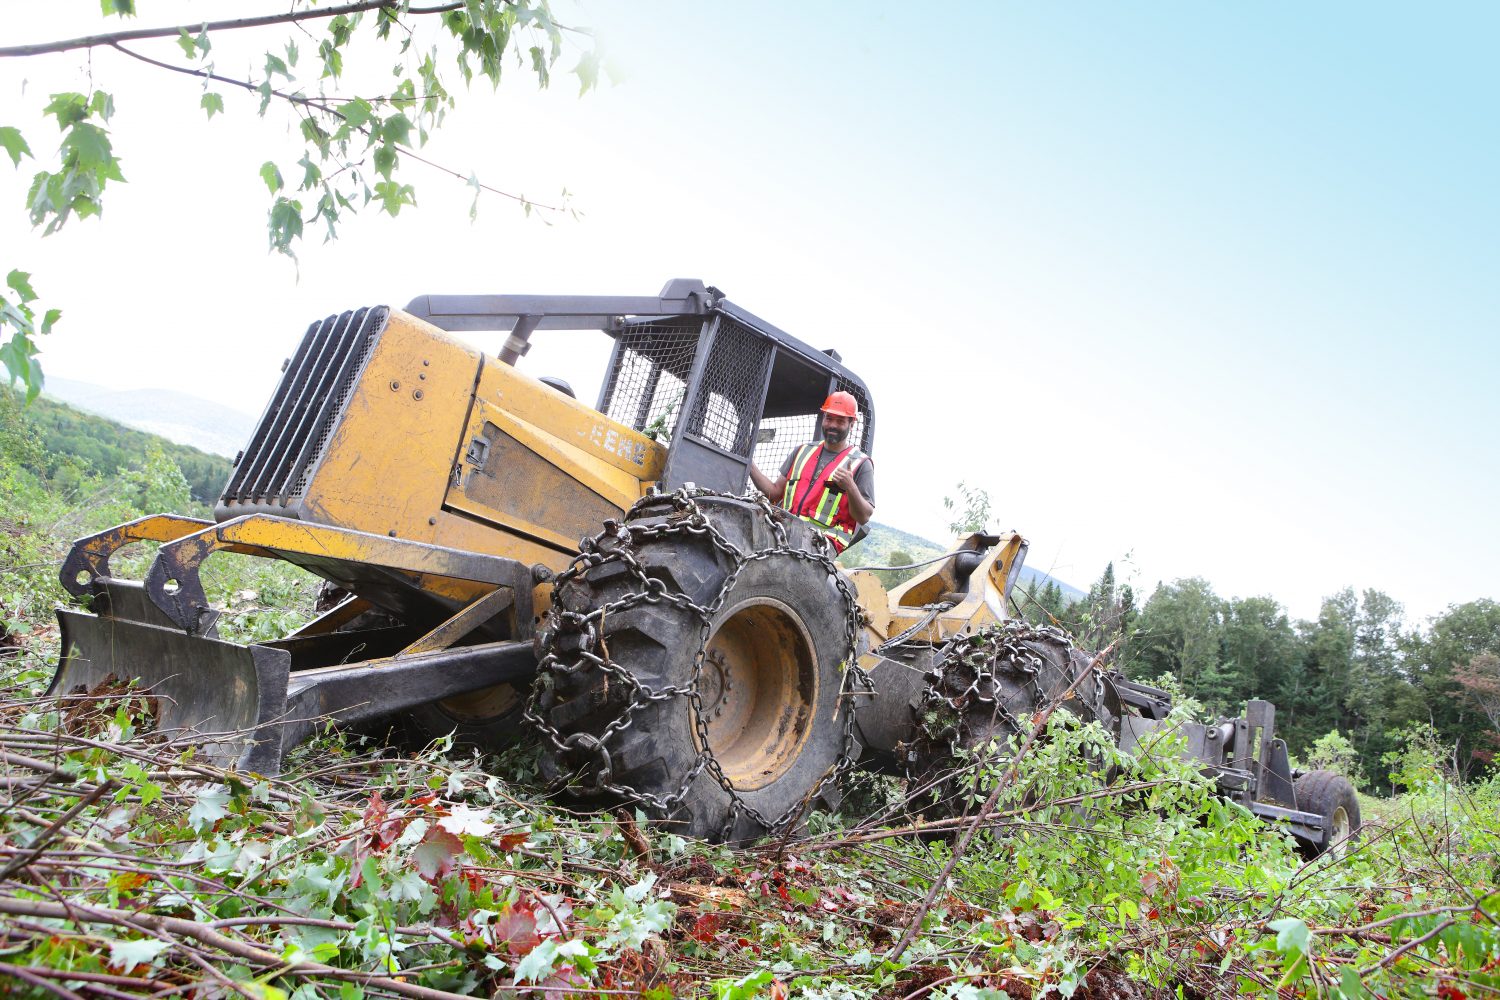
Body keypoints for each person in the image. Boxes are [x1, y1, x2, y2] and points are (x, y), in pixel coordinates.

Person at [748, 391, 874, 553]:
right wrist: (750, 464)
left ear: (851, 424)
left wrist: (850, 486)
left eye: (840, 421)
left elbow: (863, 516)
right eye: (829, 418)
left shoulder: (860, 464)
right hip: (784, 532)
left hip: (820, 545)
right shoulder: (801, 452)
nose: (833, 425)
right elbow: (774, 492)